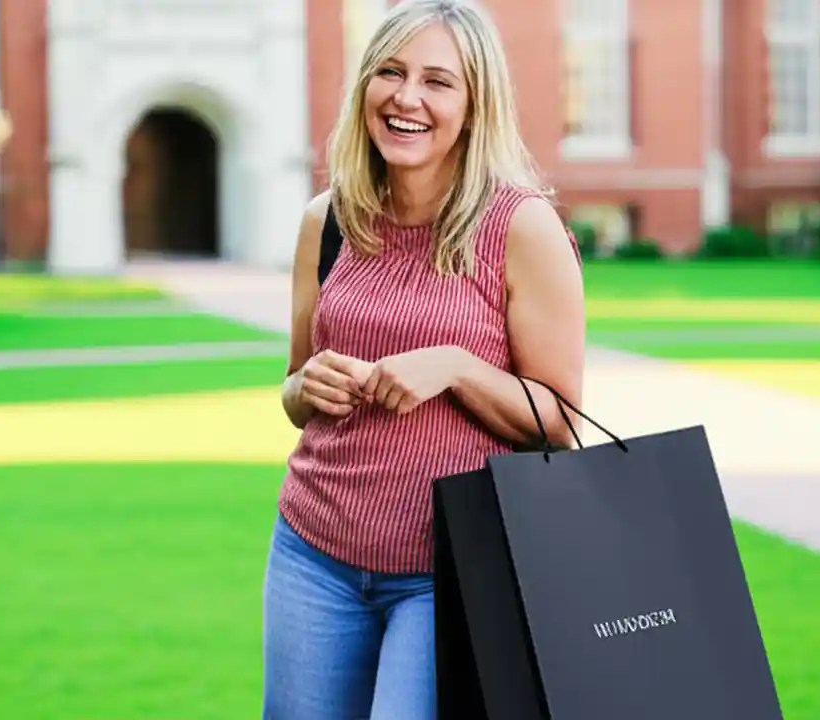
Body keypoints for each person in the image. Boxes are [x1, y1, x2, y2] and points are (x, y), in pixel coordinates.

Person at [262, 1, 584, 717]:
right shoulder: (328, 219)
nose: (408, 98)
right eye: (392, 72)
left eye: (439, 82)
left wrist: (457, 366)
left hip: (448, 568)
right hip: (312, 555)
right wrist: (307, 384)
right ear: (365, 89)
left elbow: (561, 420)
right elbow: (291, 398)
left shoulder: (521, 227)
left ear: (473, 107)